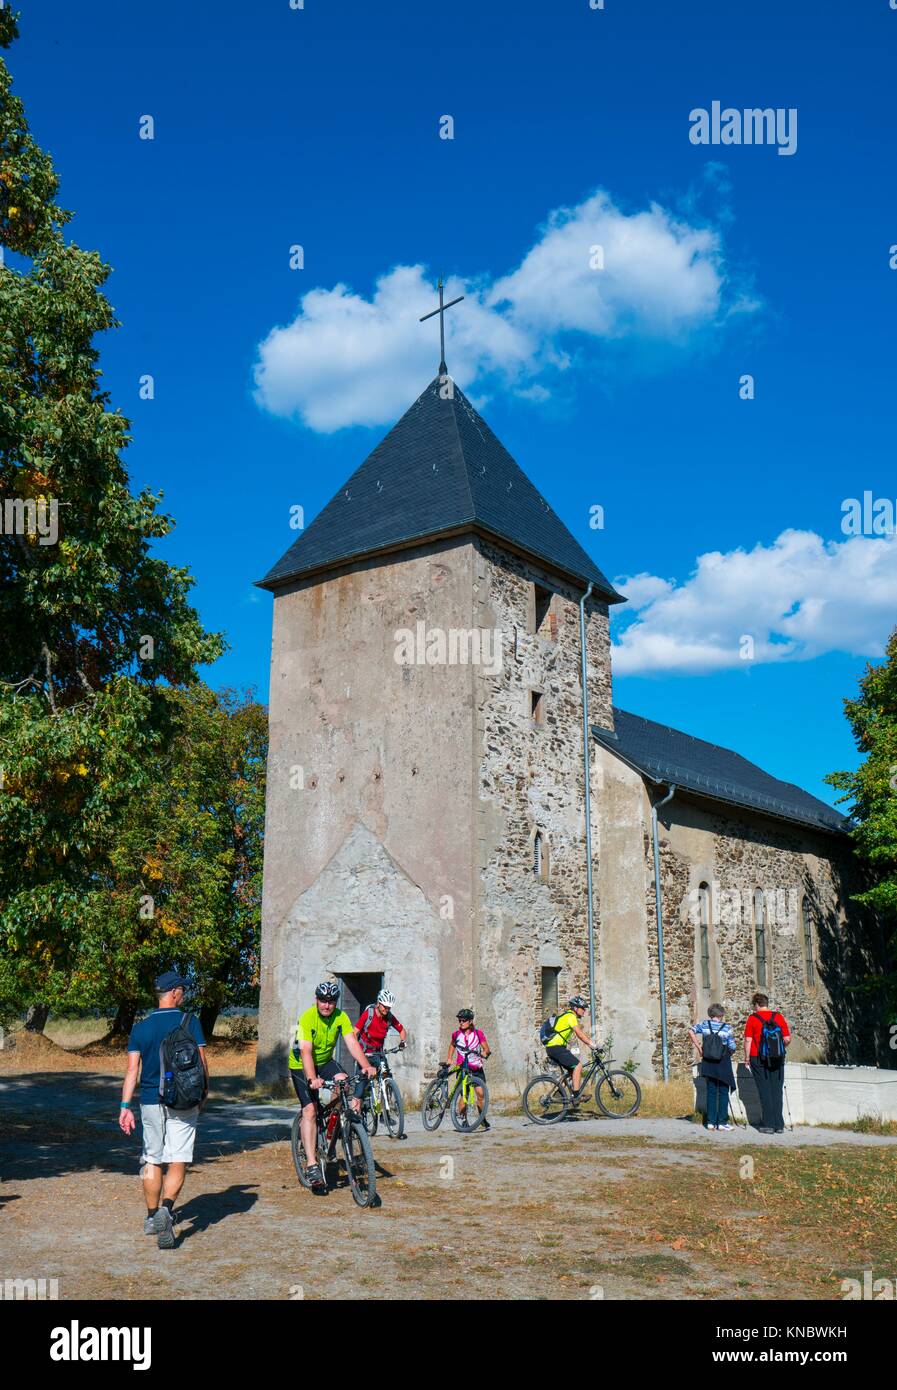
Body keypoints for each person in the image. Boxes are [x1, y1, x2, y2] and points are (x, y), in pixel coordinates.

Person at [119, 970, 208, 1250]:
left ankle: (150, 1216)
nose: (184, 993)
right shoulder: (189, 1022)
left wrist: (125, 1106)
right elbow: (203, 1064)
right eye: (182, 989)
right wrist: (202, 1096)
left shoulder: (140, 1028)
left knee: (152, 1159)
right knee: (178, 1159)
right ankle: (166, 1211)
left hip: (149, 1100)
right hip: (183, 1100)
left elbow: (132, 1070)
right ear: (173, 993)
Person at [289, 981, 375, 1190]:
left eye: (331, 1002)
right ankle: (311, 1164)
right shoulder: (308, 1018)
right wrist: (312, 1079)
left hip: (325, 1060)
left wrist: (366, 1066)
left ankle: (332, 1127)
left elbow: (352, 1042)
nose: (327, 1005)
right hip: (301, 1064)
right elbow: (306, 1052)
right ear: (316, 1000)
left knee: (344, 1084)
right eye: (323, 1001)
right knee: (309, 1110)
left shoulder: (341, 1017)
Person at [743, 992, 791, 1134]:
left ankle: (768, 1124)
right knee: (777, 1090)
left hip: (758, 1058)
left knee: (764, 1090)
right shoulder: (778, 1017)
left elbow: (748, 1040)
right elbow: (787, 1039)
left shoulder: (752, 1018)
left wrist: (746, 1058)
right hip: (777, 1058)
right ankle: (779, 1125)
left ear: (756, 1005)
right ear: (766, 1003)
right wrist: (777, 1049)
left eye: (754, 1005)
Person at [352, 988, 406, 1103]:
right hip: (365, 1053)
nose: (387, 1009)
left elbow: (402, 1030)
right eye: (384, 1006)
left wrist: (402, 1042)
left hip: (379, 1053)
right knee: (359, 1090)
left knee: (387, 1079)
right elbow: (354, 1032)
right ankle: (355, 1114)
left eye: (389, 1007)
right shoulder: (369, 1014)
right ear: (378, 1003)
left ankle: (384, 1112)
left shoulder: (389, 1017)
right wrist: (355, 1050)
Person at [690, 1003, 737, 1131]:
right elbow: (732, 1046)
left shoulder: (704, 1025)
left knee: (711, 1091)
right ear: (721, 1015)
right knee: (723, 1091)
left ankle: (710, 1122)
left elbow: (691, 1031)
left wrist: (699, 1047)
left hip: (708, 1061)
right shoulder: (727, 1028)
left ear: (711, 1014)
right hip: (722, 1062)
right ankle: (721, 1122)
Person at [444, 1008, 491, 1131]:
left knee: (480, 1094)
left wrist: (485, 1053)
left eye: (463, 1020)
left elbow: (487, 1049)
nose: (460, 1022)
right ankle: (464, 1120)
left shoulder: (478, 1034)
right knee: (464, 1095)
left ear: (470, 1021)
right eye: (459, 1020)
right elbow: (452, 1045)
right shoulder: (456, 1034)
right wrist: (449, 1058)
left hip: (476, 1068)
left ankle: (482, 1118)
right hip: (462, 1068)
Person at [543, 995, 595, 1102]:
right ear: (575, 1008)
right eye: (582, 1008)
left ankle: (559, 1093)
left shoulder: (568, 1016)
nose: (584, 1011)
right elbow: (580, 1034)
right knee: (578, 1066)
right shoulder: (571, 1017)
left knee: (572, 1071)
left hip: (555, 1047)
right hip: (555, 1047)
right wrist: (593, 1045)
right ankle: (576, 1096)